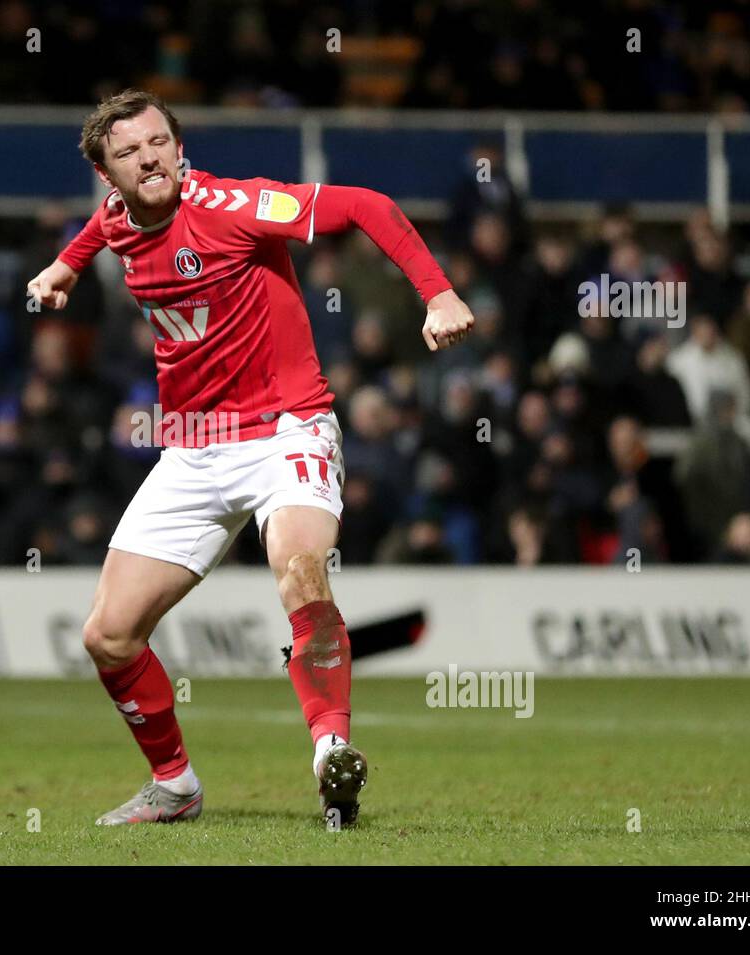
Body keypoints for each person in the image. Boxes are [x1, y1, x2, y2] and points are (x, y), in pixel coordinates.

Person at [27, 90, 473, 826]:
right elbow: (101, 231)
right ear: (108, 173)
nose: (151, 156)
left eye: (160, 141)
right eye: (131, 151)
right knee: (107, 636)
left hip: (286, 429)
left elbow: (365, 205)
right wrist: (64, 267)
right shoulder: (114, 216)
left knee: (301, 574)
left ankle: (331, 753)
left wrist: (438, 293)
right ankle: (174, 784)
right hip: (193, 449)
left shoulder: (235, 205)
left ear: (179, 144)